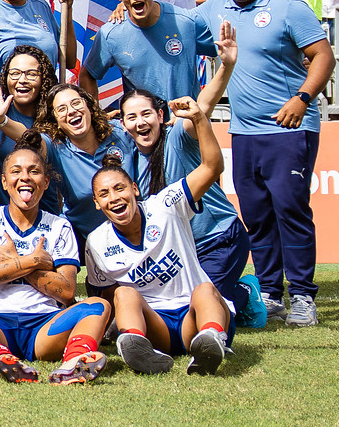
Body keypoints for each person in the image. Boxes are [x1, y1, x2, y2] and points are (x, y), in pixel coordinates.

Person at [197, 0, 333, 328]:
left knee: (291, 211)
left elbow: (323, 55)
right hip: (243, 131)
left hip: (288, 128)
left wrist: (302, 99)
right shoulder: (214, 9)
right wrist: (124, 9)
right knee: (256, 216)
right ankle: (271, 294)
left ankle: (303, 296)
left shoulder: (289, 7)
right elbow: (172, 23)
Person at [0, 133, 111, 384]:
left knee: (98, 306)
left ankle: (73, 364)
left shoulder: (60, 227)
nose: (25, 177)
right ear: (4, 181)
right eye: (16, 171)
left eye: (34, 171)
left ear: (45, 182)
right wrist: (32, 261)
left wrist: (9, 261)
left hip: (44, 325)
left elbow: (66, 291)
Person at [120, 25, 257, 328]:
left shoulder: (177, 137)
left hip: (219, 239)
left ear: (160, 116)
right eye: (132, 117)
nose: (140, 122)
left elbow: (203, 105)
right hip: (180, 250)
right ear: (124, 124)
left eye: (146, 114)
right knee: (171, 305)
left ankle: (244, 293)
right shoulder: (129, 159)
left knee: (200, 308)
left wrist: (226, 66)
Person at [87, 95, 235, 376]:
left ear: (135, 189)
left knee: (204, 290)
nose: (114, 198)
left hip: (195, 315)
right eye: (104, 194)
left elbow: (212, 167)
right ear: (96, 203)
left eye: (119, 189)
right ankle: (135, 345)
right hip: (156, 325)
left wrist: (199, 118)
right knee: (124, 293)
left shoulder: (166, 204)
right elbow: (103, 294)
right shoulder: (96, 242)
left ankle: (211, 340)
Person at [79, 0, 216, 107]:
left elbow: (225, 51)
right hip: (143, 121)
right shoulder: (110, 34)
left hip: (187, 119)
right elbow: (87, 75)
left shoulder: (185, 22)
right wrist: (96, 115)